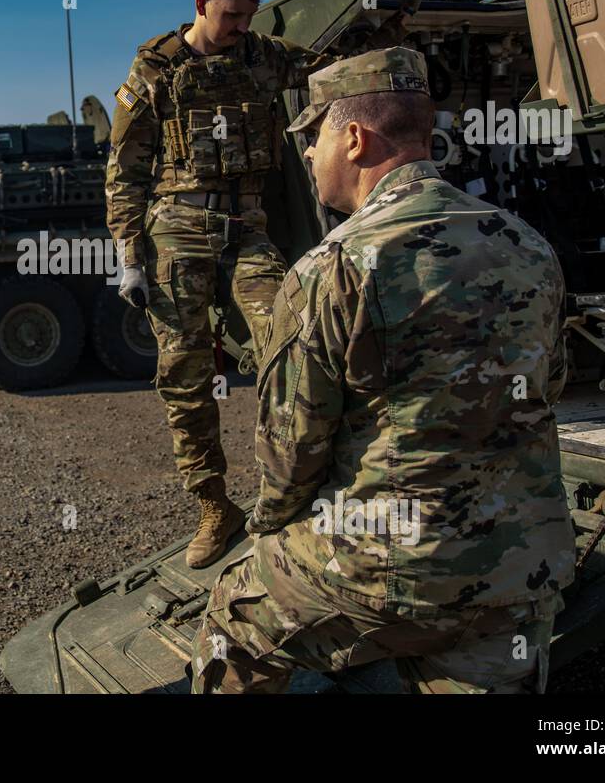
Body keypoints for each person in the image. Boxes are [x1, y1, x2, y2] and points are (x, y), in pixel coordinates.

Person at [190, 47, 575, 693]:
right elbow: (549, 384)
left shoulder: (329, 270)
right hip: (519, 571)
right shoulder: (529, 245)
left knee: (231, 617)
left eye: (313, 137)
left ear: (354, 138)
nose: (308, 155)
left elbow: (290, 461)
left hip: (388, 570)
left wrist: (272, 536)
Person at [105, 0, 410, 567]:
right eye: (233, 17)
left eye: (249, 17)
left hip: (247, 227)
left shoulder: (265, 59)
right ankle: (214, 508)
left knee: (291, 344)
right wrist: (129, 255)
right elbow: (124, 170)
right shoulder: (155, 71)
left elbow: (335, 74)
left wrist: (387, 32)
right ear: (201, 3)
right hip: (177, 231)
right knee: (184, 377)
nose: (243, 28)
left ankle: (294, 490)